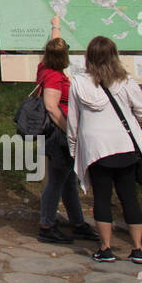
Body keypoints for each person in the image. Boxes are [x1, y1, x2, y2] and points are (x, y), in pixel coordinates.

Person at [67, 36, 142, 263]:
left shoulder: (79, 82)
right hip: (124, 146)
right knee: (129, 197)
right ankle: (137, 248)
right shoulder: (126, 82)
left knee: (102, 198)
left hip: (96, 149)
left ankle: (105, 247)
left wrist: (73, 147)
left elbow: (73, 121)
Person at [36, 18, 98, 244]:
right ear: (64, 57)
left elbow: (54, 46)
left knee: (68, 179)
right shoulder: (54, 76)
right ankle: (46, 225)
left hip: (60, 133)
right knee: (57, 180)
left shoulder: (45, 66)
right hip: (58, 134)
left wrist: (55, 27)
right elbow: (52, 107)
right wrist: (71, 133)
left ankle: (78, 222)